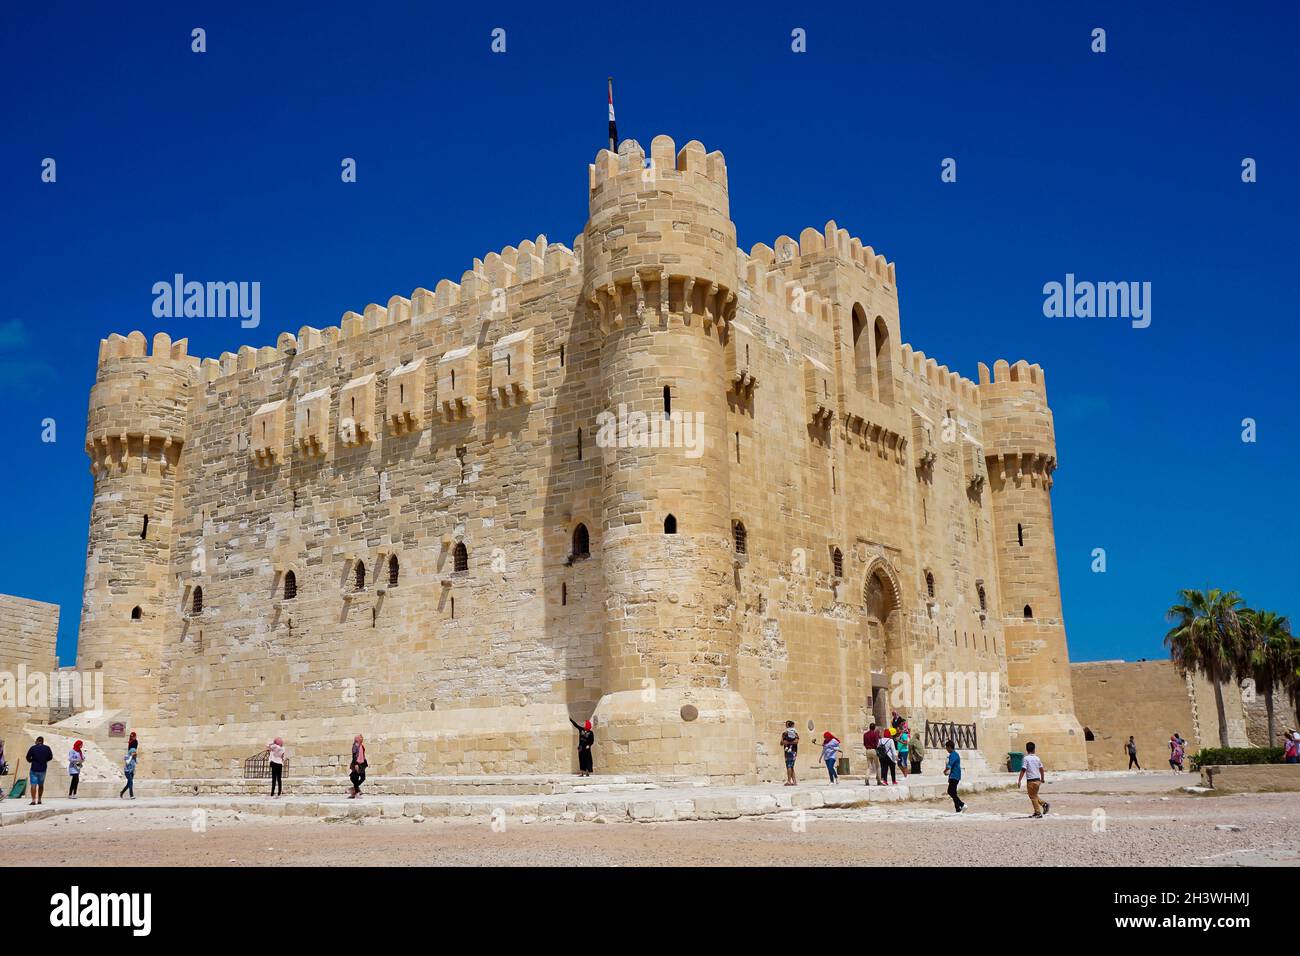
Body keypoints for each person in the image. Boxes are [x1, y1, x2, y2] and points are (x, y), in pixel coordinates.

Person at [1018, 741, 1049, 817]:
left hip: (1030, 781)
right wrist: (1042, 778)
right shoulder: (1037, 758)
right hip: (1037, 780)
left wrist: (1019, 780)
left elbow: (1023, 769)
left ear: (1026, 749)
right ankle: (1044, 805)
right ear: (1034, 749)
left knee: (1032, 796)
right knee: (1034, 795)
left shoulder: (1026, 758)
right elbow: (1041, 769)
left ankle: (1038, 812)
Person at [26, 735, 54, 805]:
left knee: (33, 785)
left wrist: (31, 760)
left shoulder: (33, 748)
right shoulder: (47, 748)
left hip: (34, 769)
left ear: (37, 741)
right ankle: (39, 800)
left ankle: (33, 801)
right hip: (43, 769)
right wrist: (45, 760)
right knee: (41, 785)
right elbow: (50, 757)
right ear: (42, 741)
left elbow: (27, 757)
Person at [943, 740, 966, 812]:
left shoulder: (953, 755)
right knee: (954, 792)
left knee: (950, 791)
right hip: (954, 775)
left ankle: (962, 804)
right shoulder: (955, 754)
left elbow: (950, 766)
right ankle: (958, 809)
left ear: (949, 747)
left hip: (954, 775)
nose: (946, 749)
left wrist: (945, 771)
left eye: (947, 748)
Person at [781, 721, 800, 786]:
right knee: (791, 766)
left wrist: (787, 743)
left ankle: (789, 781)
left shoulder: (785, 733)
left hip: (790, 751)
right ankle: (794, 781)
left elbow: (796, 741)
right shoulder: (793, 733)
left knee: (789, 765)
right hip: (792, 751)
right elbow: (781, 742)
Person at [348, 734, 367, 798]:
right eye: (361, 738)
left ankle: (354, 789)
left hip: (362, 763)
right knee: (354, 778)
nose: (362, 739)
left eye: (362, 737)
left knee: (363, 778)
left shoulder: (361, 746)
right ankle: (356, 792)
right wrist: (356, 764)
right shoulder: (355, 746)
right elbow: (354, 756)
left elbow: (362, 755)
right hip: (357, 764)